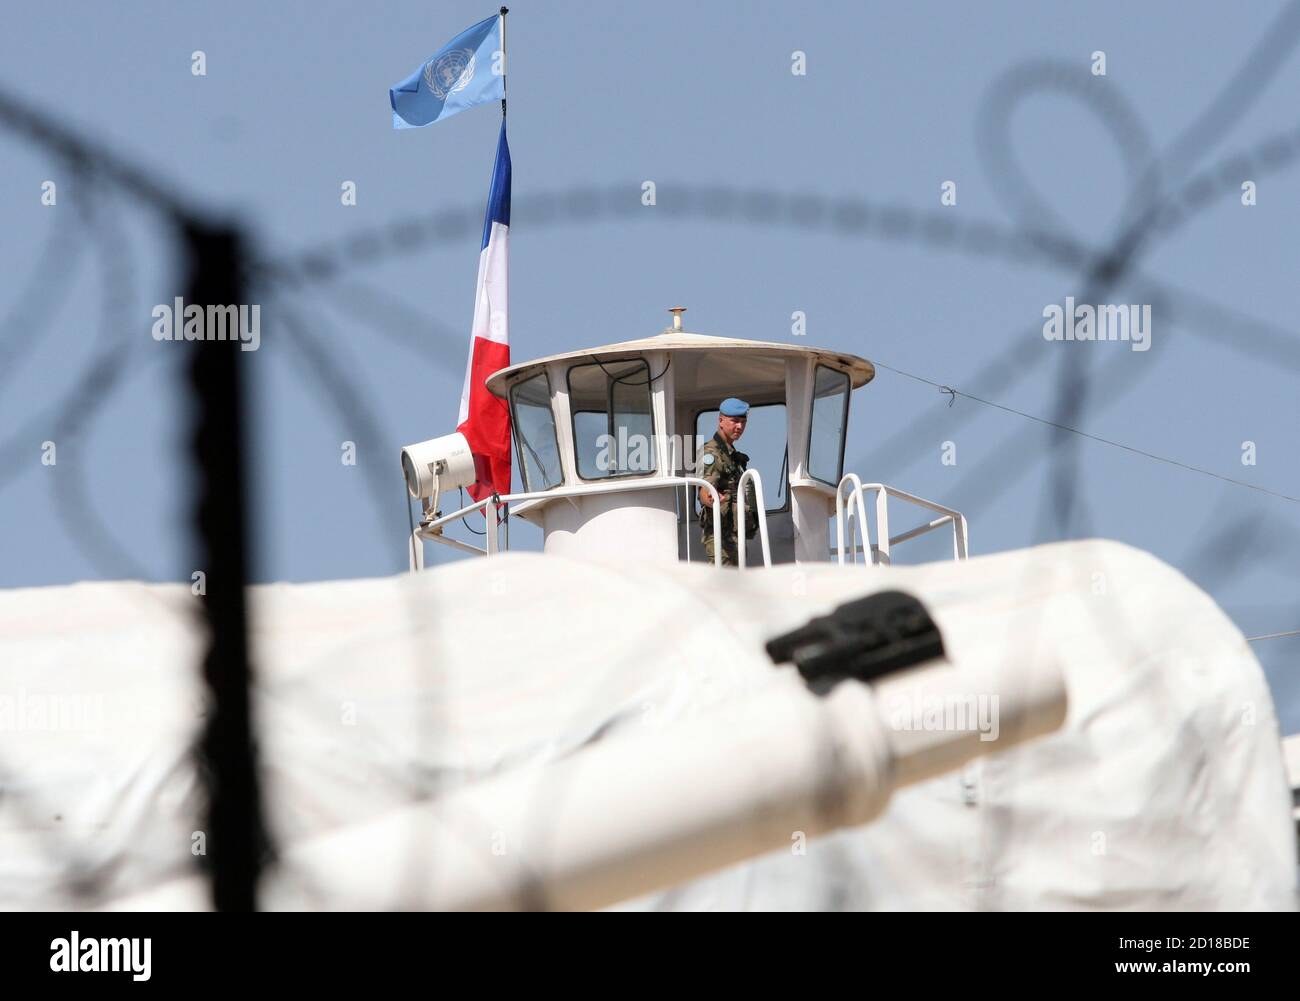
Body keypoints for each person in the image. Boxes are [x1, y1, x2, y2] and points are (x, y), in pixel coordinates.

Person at [696, 398, 759, 566]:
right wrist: (710, 497)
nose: (740, 427)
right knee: (722, 586)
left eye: (743, 422)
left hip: (732, 535)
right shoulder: (711, 452)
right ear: (721, 421)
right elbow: (705, 489)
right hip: (720, 536)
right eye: (735, 421)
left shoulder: (730, 454)